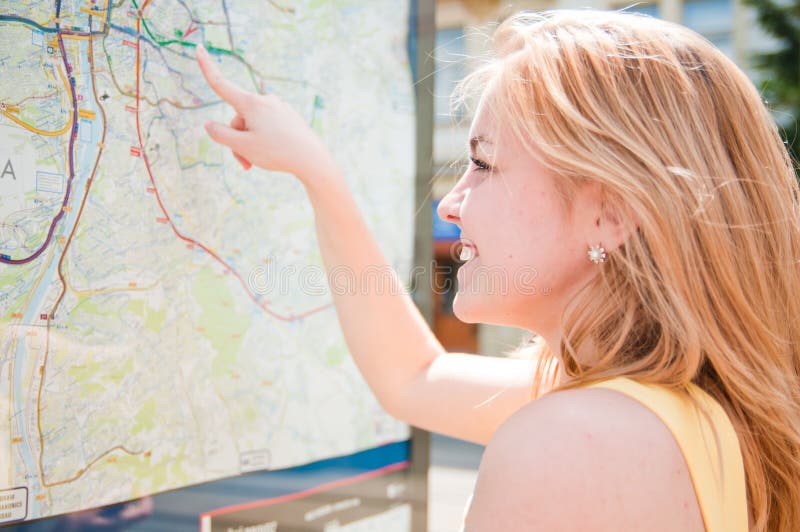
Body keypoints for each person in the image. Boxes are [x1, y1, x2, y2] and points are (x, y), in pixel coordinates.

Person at [195, 9, 800, 531]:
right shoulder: (702, 411)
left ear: (610, 213)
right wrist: (319, 176)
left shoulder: (570, 440)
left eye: (483, 163)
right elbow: (413, 377)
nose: (451, 203)